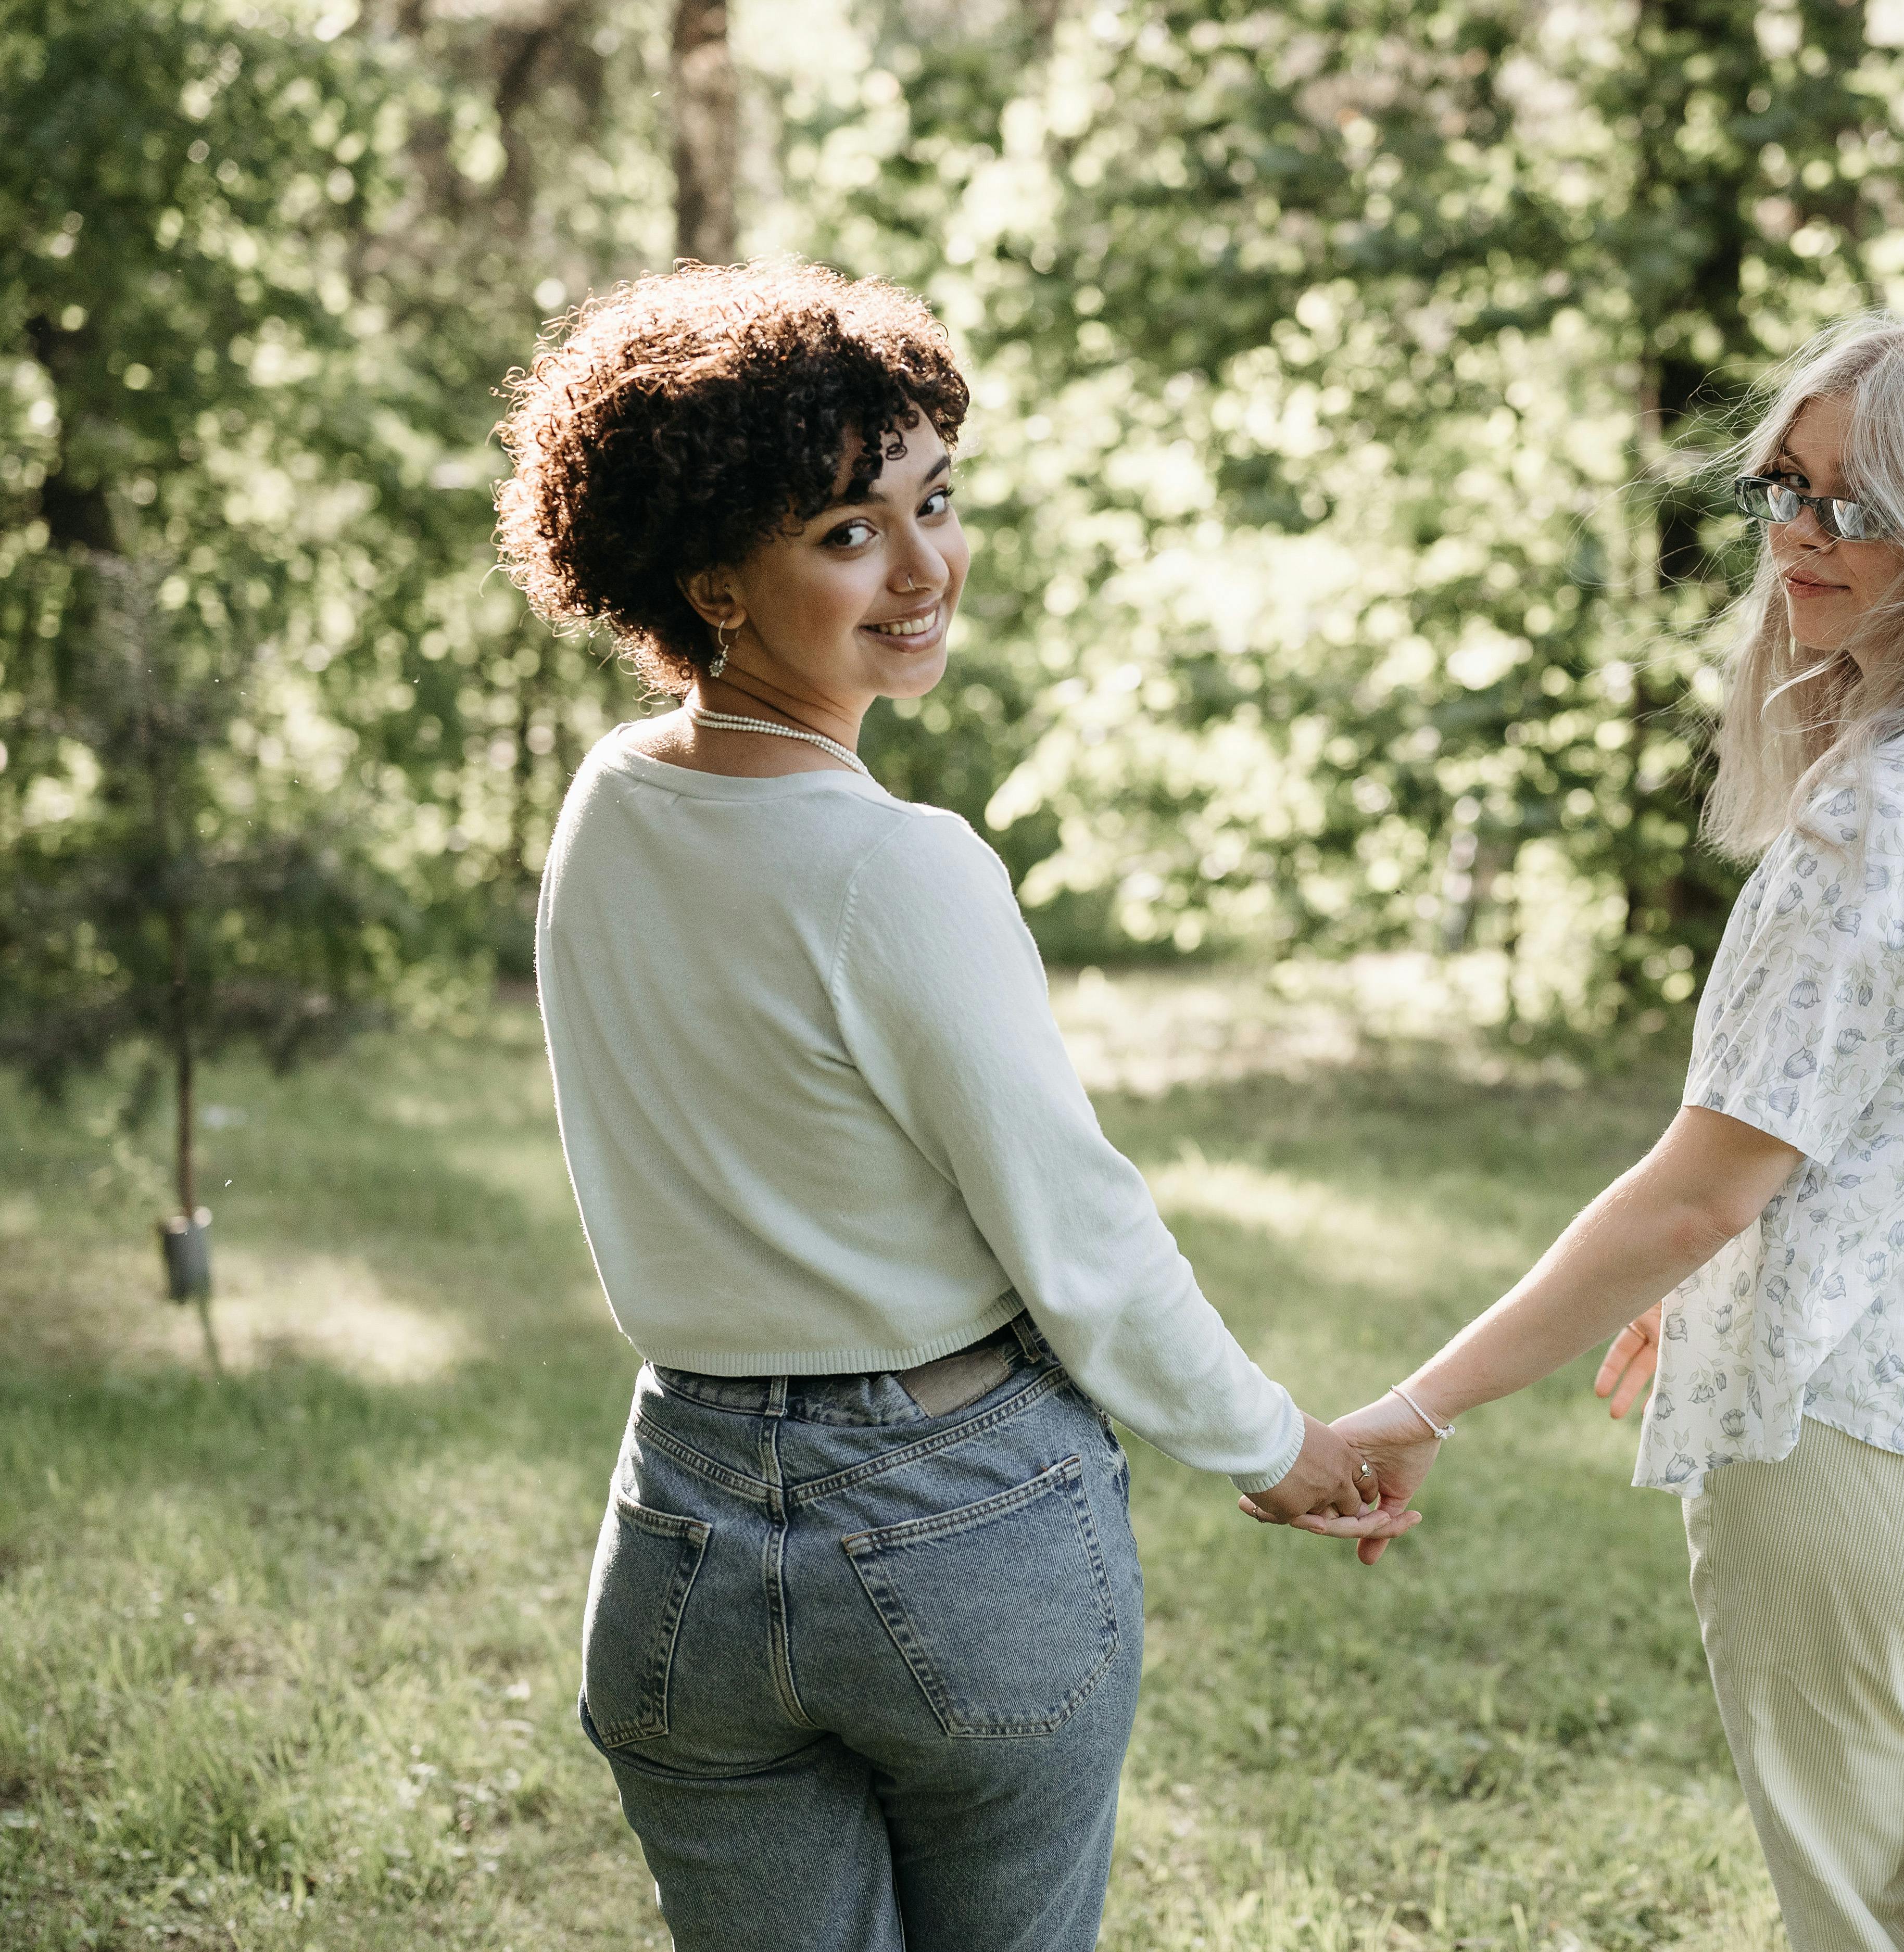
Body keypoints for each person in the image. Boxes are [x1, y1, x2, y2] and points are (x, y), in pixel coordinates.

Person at [493, 260, 1408, 1952]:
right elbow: (1079, 1235)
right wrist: (1279, 1450)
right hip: (952, 1525)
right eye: (848, 531)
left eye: (935, 501)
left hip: (680, 1529)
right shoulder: (894, 867)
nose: (922, 570)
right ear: (712, 581)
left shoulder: (608, 806)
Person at [1270, 312, 1904, 1952]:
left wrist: (1420, 1405)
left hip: (1879, 1447)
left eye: (1861, 505)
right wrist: (1722, 1267)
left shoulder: (1877, 821)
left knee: (1860, 1926)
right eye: (1785, 487)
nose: (1801, 538)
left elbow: (1698, 1194)